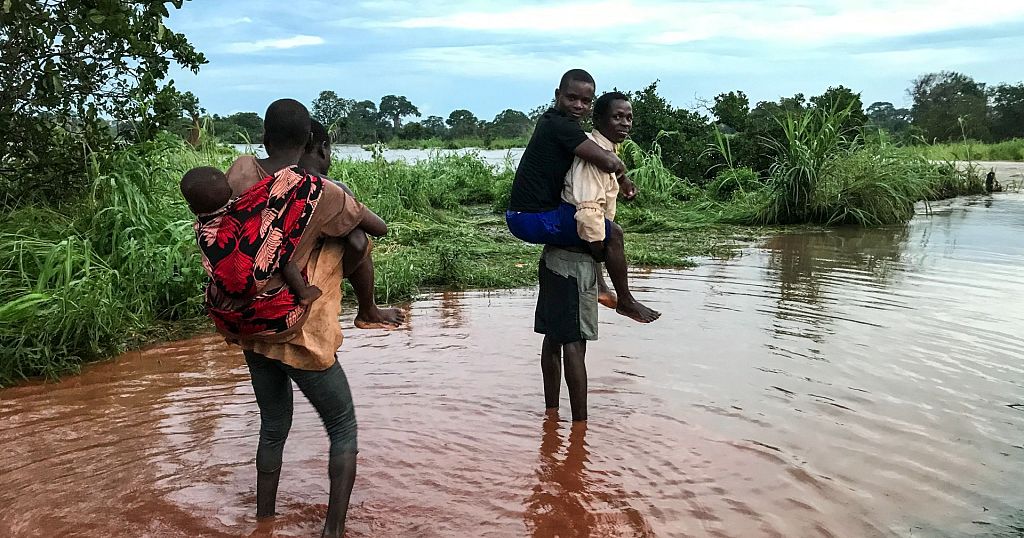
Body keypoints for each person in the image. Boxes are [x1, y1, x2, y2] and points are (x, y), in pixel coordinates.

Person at [208, 98, 383, 538]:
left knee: (273, 425)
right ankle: (334, 532)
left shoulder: (241, 171)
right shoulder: (322, 192)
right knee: (342, 426)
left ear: (264, 137)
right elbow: (370, 233)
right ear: (310, 141)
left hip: (250, 326)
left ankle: (264, 520)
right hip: (298, 329)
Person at [506, 69, 659, 324]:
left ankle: (600, 287)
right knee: (611, 232)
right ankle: (626, 301)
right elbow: (607, 160)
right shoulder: (560, 125)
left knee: (592, 225)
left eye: (585, 101)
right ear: (557, 95)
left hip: (530, 213)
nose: (578, 106)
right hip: (531, 218)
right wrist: (601, 251)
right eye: (571, 98)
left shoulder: (556, 122)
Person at [181, 166, 322, 306]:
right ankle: (303, 293)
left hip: (226, 289)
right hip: (256, 279)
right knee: (279, 243)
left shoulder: (201, 229)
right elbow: (267, 192)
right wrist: (294, 173)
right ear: (231, 192)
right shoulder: (243, 208)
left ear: (192, 209)